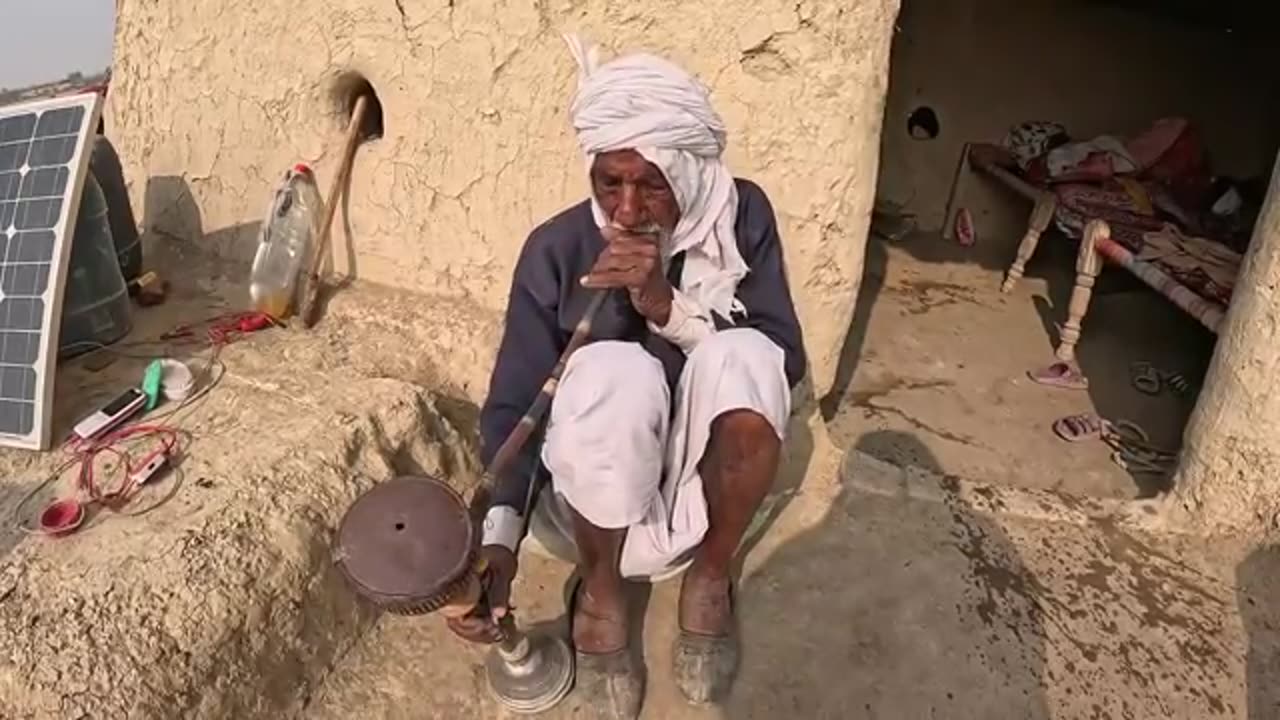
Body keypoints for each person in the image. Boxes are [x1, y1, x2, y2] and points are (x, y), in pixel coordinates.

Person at [450, 35, 806, 717]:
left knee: (749, 356)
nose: (627, 211)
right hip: (589, 506)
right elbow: (516, 398)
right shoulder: (557, 248)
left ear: (688, 171)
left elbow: (784, 356)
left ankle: (710, 577)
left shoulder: (740, 216)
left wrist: (666, 307)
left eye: (651, 184)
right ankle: (602, 596)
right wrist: (499, 539)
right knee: (612, 368)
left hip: (700, 491)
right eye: (609, 183)